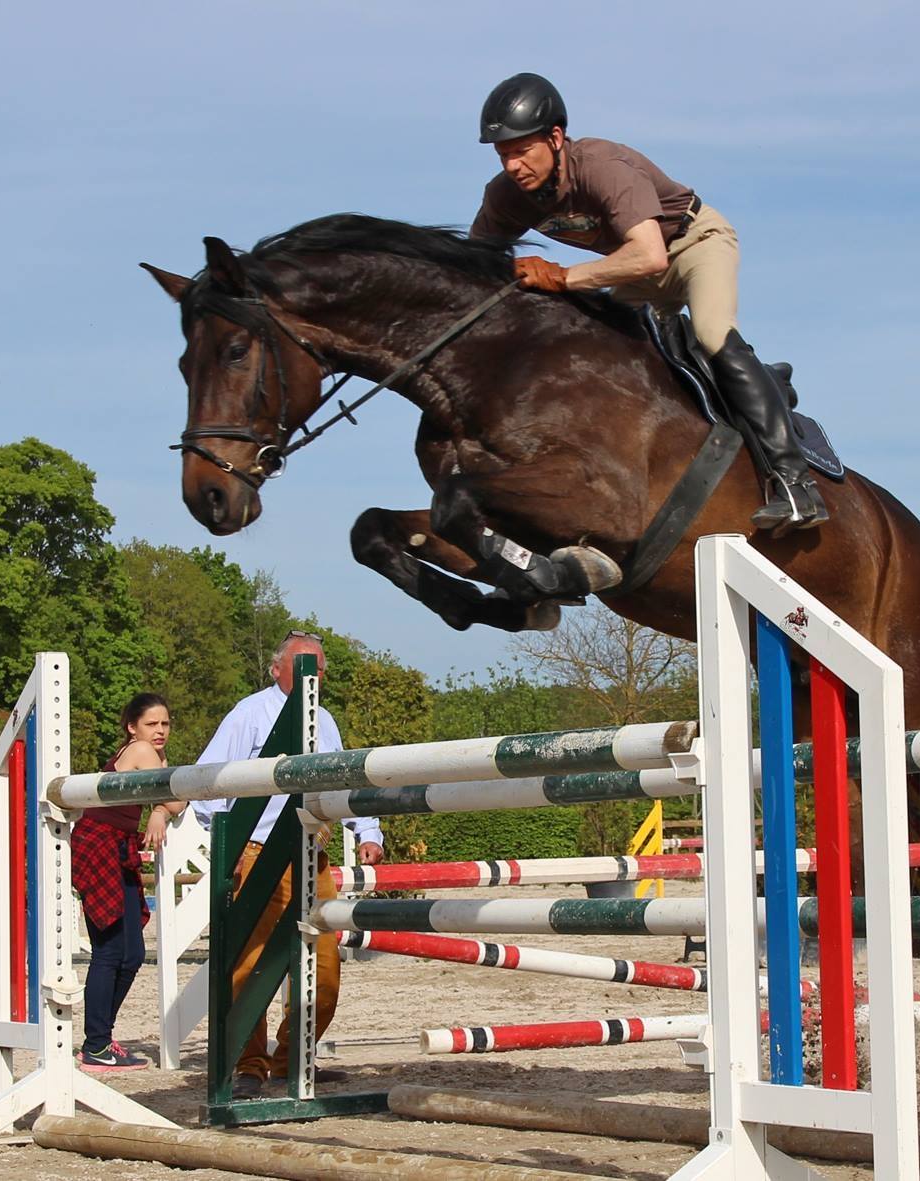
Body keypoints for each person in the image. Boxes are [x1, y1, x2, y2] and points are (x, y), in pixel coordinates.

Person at [469, 72, 828, 535]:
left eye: (522, 151)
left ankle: (794, 483)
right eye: (504, 156)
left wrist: (562, 277)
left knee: (713, 335)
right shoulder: (506, 197)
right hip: (630, 269)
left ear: (556, 138)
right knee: (600, 354)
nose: (513, 166)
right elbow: (476, 263)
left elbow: (650, 254)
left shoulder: (601, 166)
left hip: (692, 244)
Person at [183, 631, 385, 1096]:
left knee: (326, 963)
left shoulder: (326, 721)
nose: (315, 677)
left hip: (310, 852)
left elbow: (342, 778)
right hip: (255, 852)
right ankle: (248, 1063)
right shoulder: (249, 714)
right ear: (277, 670)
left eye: (320, 668)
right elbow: (206, 779)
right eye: (303, 666)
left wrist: (367, 829)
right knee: (249, 963)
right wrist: (230, 840)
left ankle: (293, 1058)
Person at [69, 692, 172, 1072]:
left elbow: (173, 800)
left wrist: (158, 811)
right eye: (152, 724)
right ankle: (95, 1045)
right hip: (100, 844)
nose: (160, 731)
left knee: (131, 955)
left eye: (164, 724)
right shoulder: (142, 751)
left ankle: (98, 1040)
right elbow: (177, 797)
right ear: (133, 727)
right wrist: (163, 807)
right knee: (111, 951)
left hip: (120, 846)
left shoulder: (154, 755)